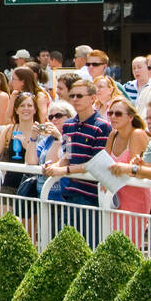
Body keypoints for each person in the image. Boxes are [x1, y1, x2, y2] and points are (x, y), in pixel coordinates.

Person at [44, 78, 111, 247]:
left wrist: (63, 170)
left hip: (91, 196)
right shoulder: (68, 125)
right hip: (71, 193)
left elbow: (95, 164)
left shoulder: (102, 126)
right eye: (72, 95)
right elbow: (67, 156)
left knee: (88, 248)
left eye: (79, 96)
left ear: (92, 98)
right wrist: (54, 166)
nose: (74, 99)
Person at [101, 97, 150, 246]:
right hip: (114, 195)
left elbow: (132, 169)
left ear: (130, 117)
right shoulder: (112, 135)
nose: (113, 117)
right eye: (111, 113)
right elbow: (104, 163)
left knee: (129, 245)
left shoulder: (137, 134)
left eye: (118, 114)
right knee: (112, 242)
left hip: (135, 195)